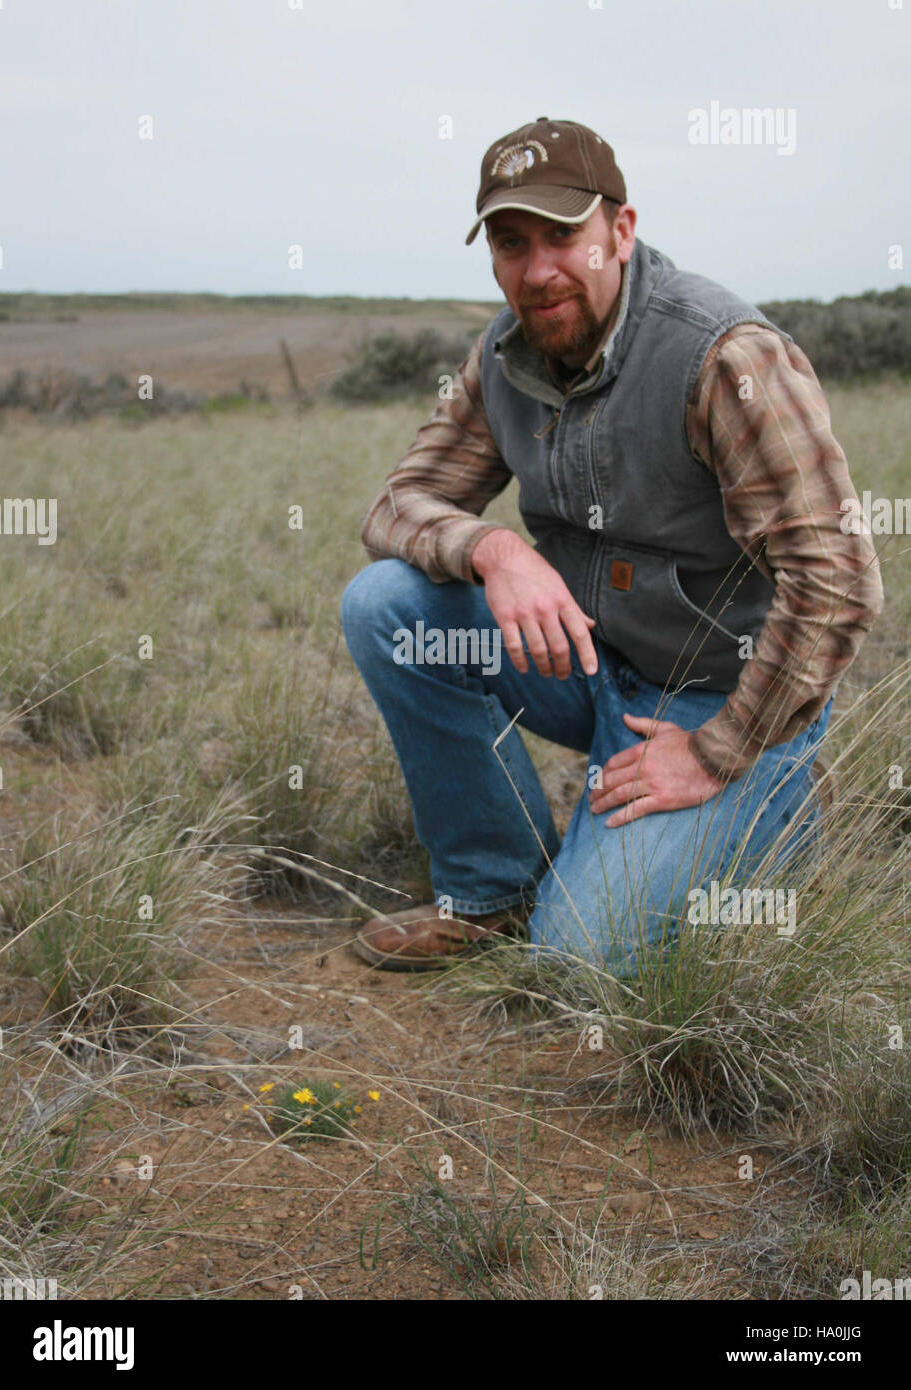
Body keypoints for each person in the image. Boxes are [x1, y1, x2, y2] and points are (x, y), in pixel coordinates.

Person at [340, 116, 883, 972]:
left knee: (579, 956)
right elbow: (398, 505)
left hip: (719, 698)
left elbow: (839, 579)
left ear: (620, 231)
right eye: (512, 243)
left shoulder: (723, 357)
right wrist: (496, 551)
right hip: (593, 666)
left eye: (563, 235)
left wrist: (720, 751)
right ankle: (492, 889)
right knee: (386, 607)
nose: (538, 270)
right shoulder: (505, 353)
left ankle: (775, 800)